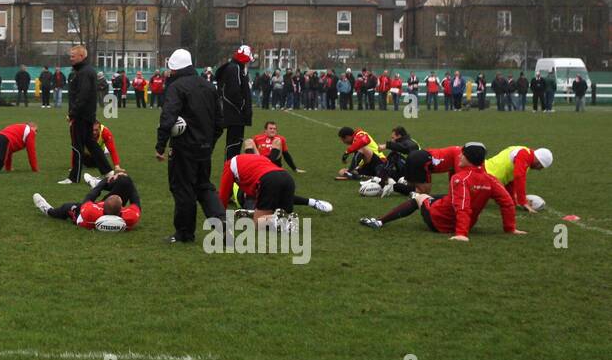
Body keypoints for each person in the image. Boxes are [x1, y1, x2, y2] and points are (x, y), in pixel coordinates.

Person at [359, 142, 526, 242]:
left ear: (468, 158)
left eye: (463, 155)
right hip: (465, 223)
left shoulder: (460, 178)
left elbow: (462, 207)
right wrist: (510, 228)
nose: (460, 157)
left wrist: (461, 234)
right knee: (440, 197)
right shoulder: (491, 180)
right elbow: (507, 202)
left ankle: (379, 221)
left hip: (440, 222)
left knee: (419, 197)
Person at [155, 47, 226, 244]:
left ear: (174, 69)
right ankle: (220, 219)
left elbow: (168, 117)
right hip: (204, 148)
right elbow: (220, 122)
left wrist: (161, 145)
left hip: (184, 147)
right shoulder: (209, 86)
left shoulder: (176, 88)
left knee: (183, 188)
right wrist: (209, 143)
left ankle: (185, 233)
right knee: (204, 185)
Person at [218, 151, 332, 227]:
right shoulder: (258, 159)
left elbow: (223, 194)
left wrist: (219, 216)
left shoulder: (229, 165)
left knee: (257, 223)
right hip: (287, 178)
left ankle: (281, 222)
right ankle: (286, 218)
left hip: (268, 180)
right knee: (279, 210)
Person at [65, 45, 112, 183]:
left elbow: (82, 95)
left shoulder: (84, 72)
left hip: (81, 115)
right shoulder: (86, 71)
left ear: (81, 56)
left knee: (77, 145)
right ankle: (108, 172)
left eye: (73, 56)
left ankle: (74, 177)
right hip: (87, 115)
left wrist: (72, 113)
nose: (71, 58)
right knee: (91, 144)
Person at [33, 170, 141, 230]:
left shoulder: (90, 212)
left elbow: (90, 196)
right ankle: (97, 181)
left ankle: (48, 210)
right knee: (125, 182)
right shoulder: (130, 218)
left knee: (67, 207)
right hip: (107, 212)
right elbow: (135, 197)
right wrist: (126, 178)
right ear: (121, 208)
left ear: (102, 205)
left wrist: (104, 182)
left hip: (84, 216)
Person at [214, 45, 254, 160]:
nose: (249, 63)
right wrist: (242, 107)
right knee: (234, 144)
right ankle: (230, 169)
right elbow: (234, 91)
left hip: (236, 113)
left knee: (237, 143)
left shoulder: (236, 68)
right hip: (235, 113)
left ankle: (232, 168)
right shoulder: (234, 68)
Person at [484, 145, 553, 211]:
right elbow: (519, 177)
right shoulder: (525, 155)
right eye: (541, 167)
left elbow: (511, 180)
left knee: (507, 201)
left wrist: (513, 199)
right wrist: (523, 202)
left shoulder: (526, 153)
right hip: (487, 178)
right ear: (538, 161)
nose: (539, 170)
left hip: (488, 175)